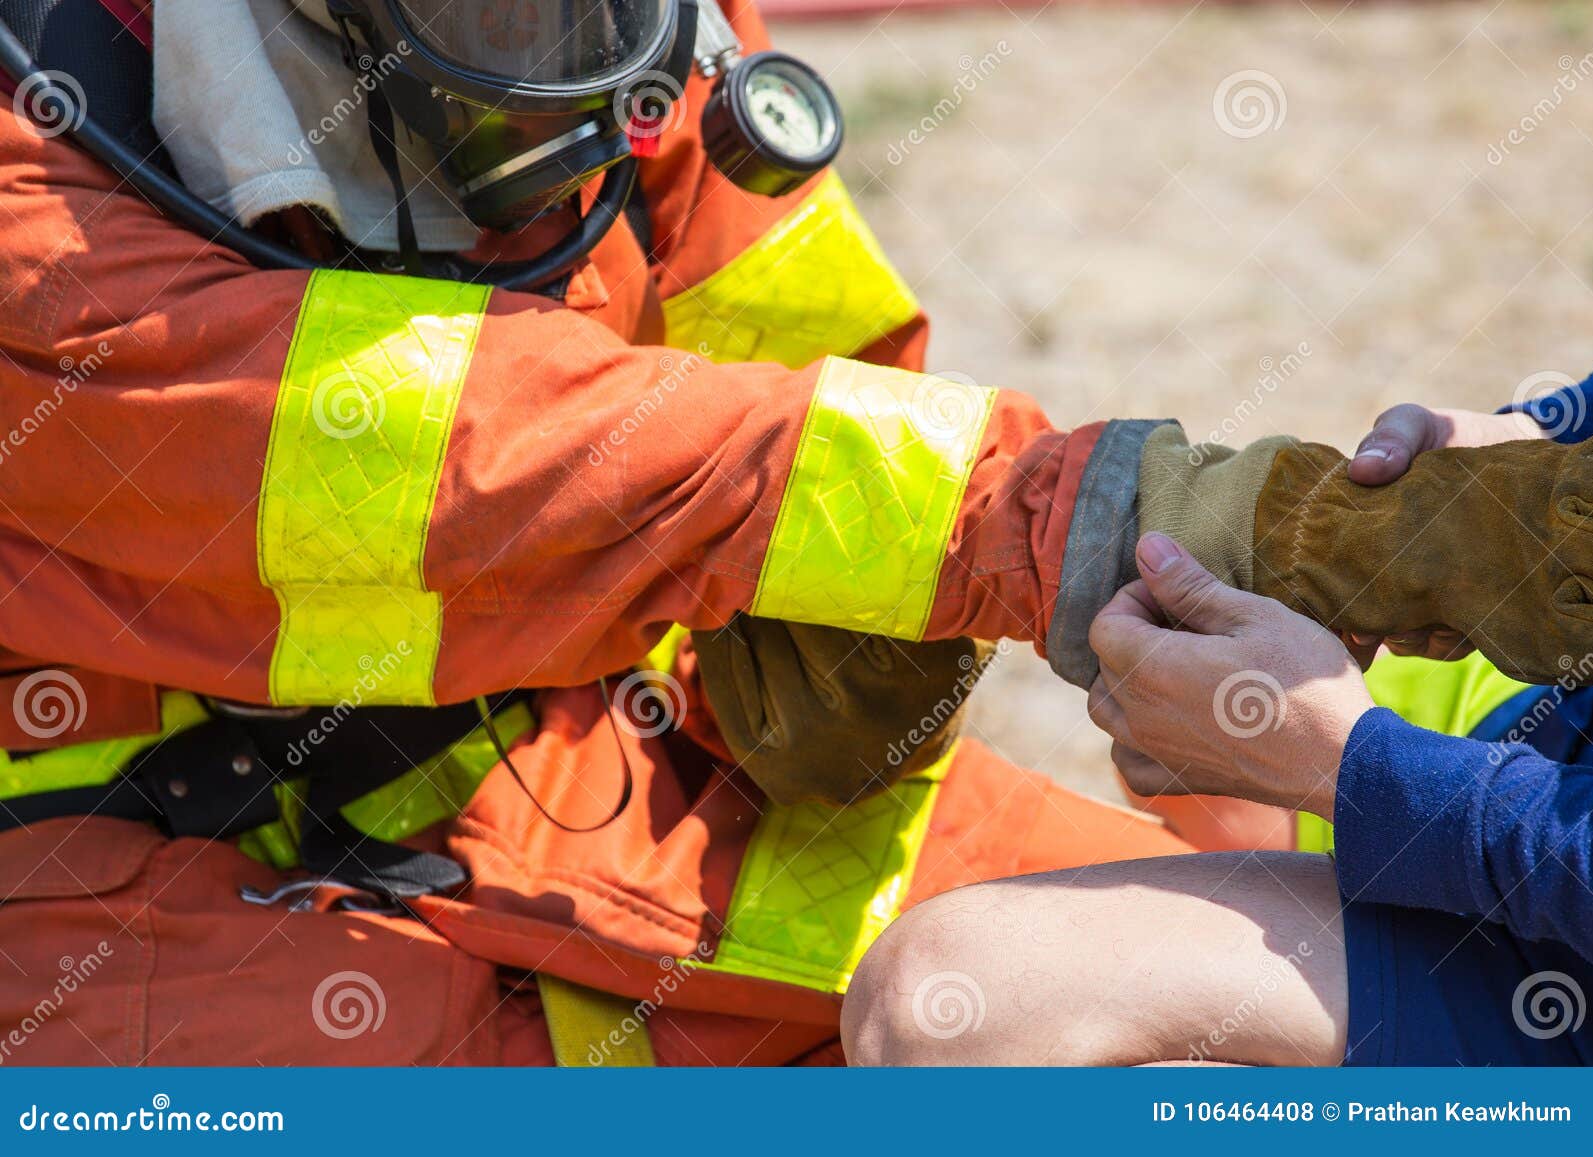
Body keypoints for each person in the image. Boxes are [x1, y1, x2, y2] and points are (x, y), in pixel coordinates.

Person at [0, 0, 1212, 1066]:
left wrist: (871, 651)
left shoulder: (651, 30)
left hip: (597, 766)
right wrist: (1040, 518)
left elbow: (810, 348)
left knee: (1210, 978)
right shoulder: (41, 110)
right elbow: (434, 455)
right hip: (105, 871)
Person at [840, 380, 1593, 1066]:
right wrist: (1552, 436)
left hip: (1566, 961)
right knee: (1185, 735)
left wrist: (1351, 769)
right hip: (1542, 761)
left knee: (934, 1005)